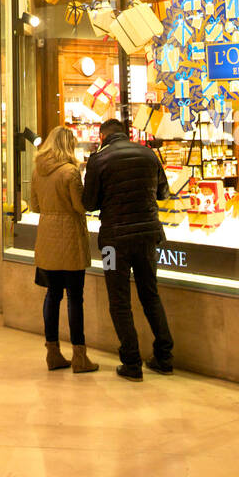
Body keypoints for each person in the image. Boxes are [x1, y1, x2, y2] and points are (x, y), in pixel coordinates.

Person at [81, 117, 174, 382]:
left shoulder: (98, 160)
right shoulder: (148, 153)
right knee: (150, 294)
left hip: (113, 241)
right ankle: (164, 357)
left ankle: (132, 362)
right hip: (147, 236)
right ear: (124, 134)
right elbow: (164, 193)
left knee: (118, 300)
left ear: (102, 137)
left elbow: (88, 203)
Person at [30, 126, 99, 373]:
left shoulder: (38, 171)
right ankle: (80, 356)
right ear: (68, 145)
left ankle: (53, 353)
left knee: (52, 295)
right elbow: (80, 206)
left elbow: (35, 206)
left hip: (47, 237)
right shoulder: (70, 172)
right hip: (69, 236)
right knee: (75, 298)